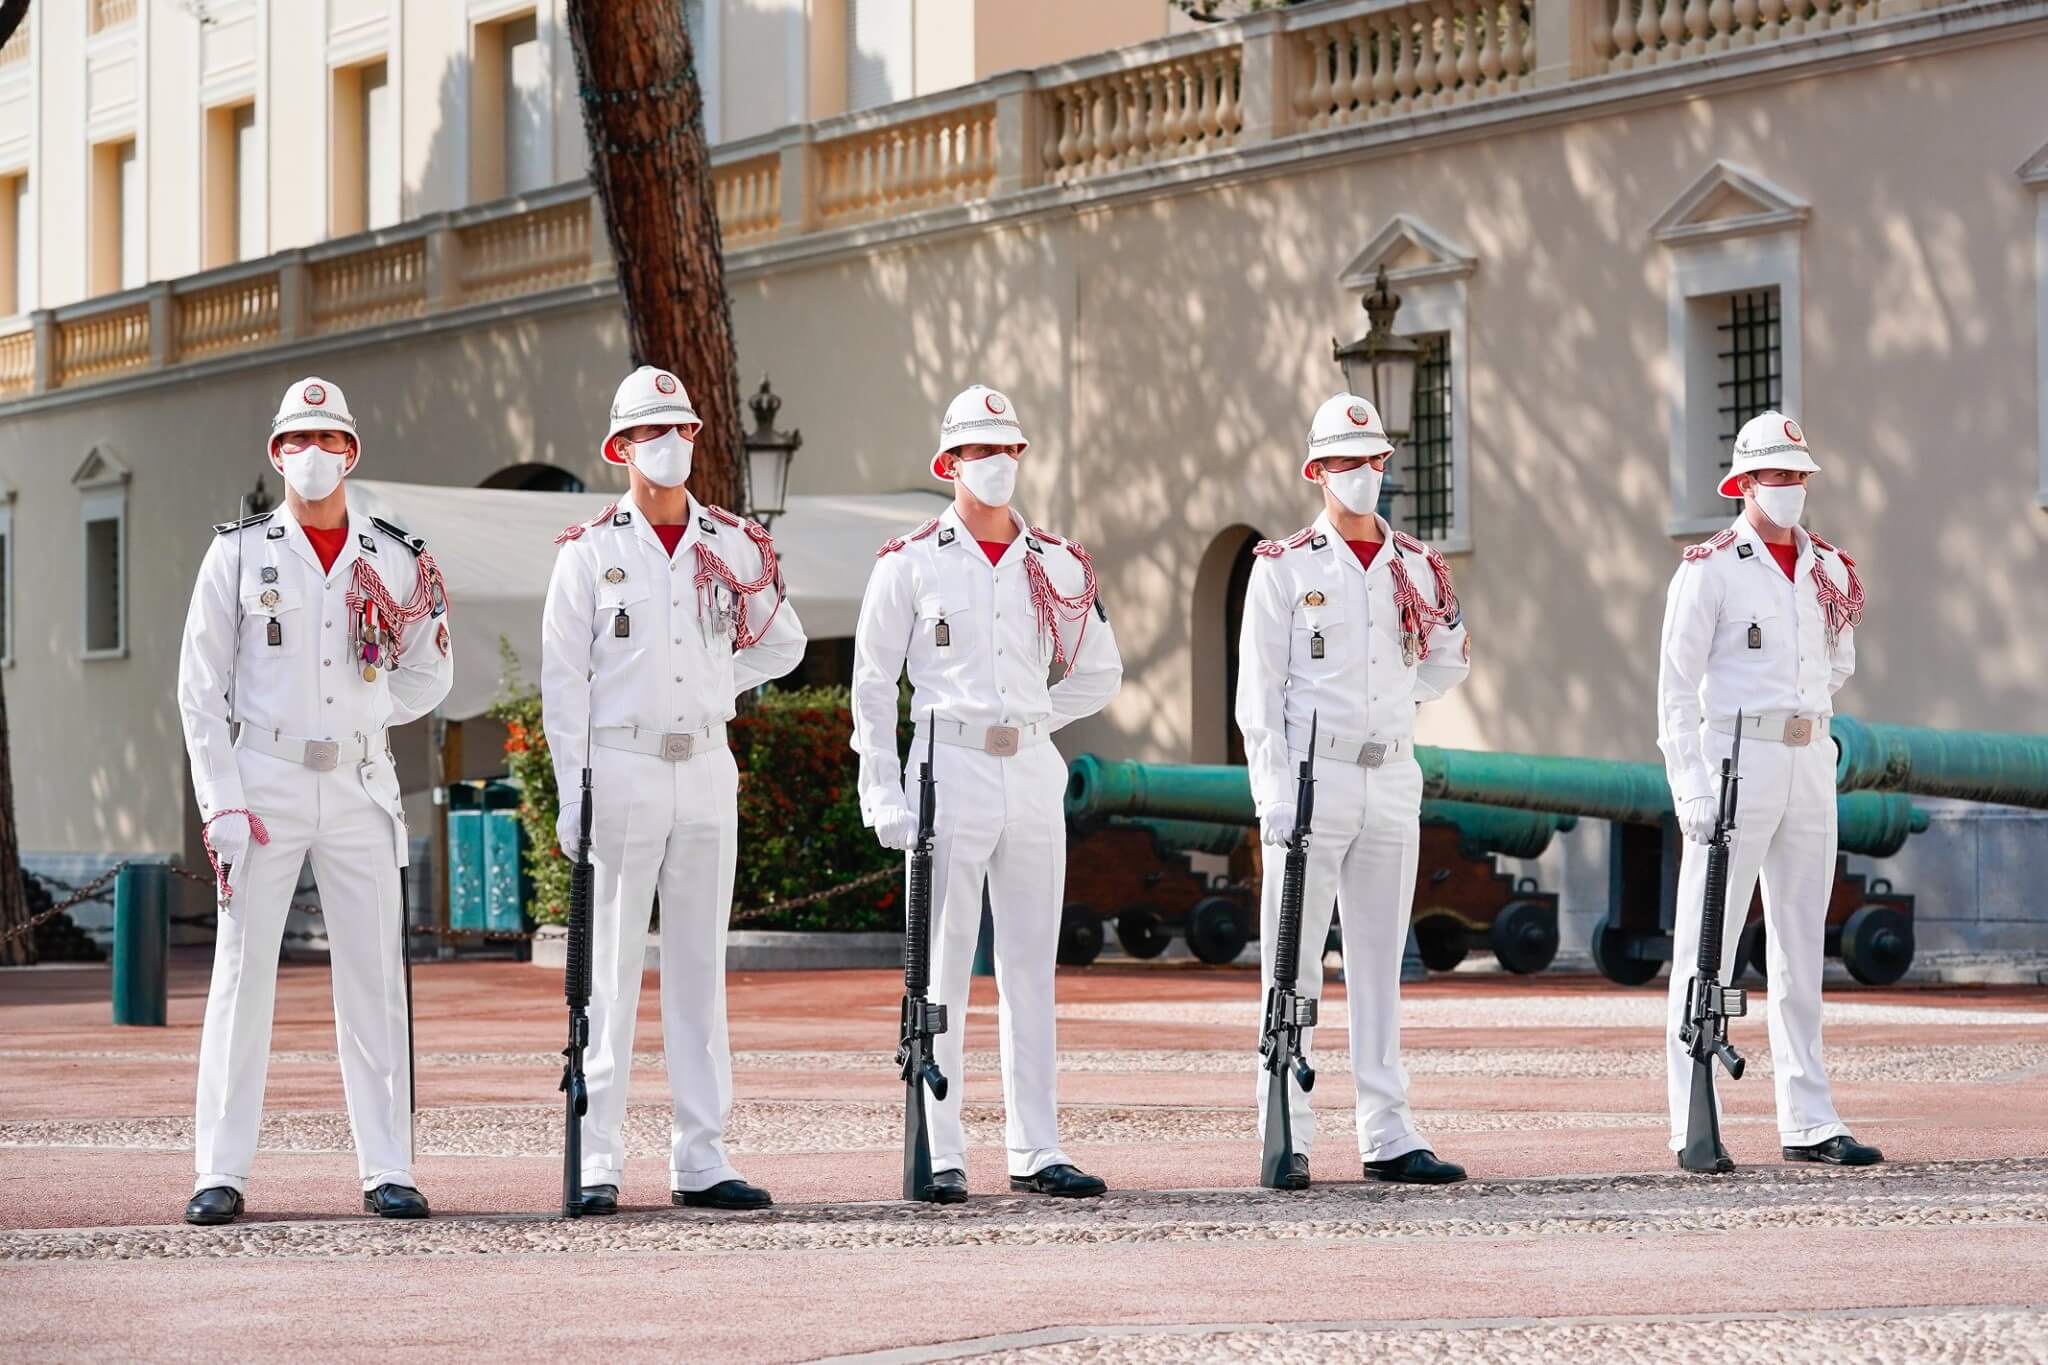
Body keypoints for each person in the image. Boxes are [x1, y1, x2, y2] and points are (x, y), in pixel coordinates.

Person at [177, 376, 453, 1225]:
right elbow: (199, 688)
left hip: (361, 782)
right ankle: (219, 1170)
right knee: (241, 978)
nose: (312, 453)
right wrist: (221, 801)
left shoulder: (394, 556)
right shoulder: (237, 554)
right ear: (276, 453)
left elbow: (431, 669)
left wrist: (368, 716)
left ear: (351, 452)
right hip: (265, 780)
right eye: (296, 440)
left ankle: (388, 1167)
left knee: (374, 979)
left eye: (327, 439)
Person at [541, 365, 807, 1214]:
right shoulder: (590, 552)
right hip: (622, 764)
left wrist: (718, 681)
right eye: (652, 431)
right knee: (611, 972)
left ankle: (702, 1156)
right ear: (620, 446)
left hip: (705, 765)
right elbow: (563, 687)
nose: (670, 442)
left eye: (682, 428)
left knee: (700, 968)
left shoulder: (731, 543)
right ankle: (597, 1158)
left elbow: (785, 642)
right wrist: (572, 793)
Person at [850, 384, 1122, 1202]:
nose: (997, 462)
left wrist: (1033, 717)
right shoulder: (909, 562)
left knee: (1030, 966)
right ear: (950, 463)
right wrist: (881, 788)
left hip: (1030, 768)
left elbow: (1099, 671)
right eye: (980, 450)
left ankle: (1037, 1147)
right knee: (940, 967)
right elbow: (872, 687)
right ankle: (940, 1149)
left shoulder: (1057, 564)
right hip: (949, 768)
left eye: (1008, 449)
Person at [1234, 393, 1471, 1190]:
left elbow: (1449, 658)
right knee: (1292, 963)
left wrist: (1399, 696)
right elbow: (1258, 695)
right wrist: (1271, 792)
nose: (1361, 473)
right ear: (1317, 470)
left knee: (1379, 963)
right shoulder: (1284, 567)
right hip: (1313, 776)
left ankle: (1388, 1130)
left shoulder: (1416, 564)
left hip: (1391, 773)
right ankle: (1287, 1127)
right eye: (1344, 461)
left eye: (1371, 460)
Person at [1657, 410, 1881, 1171]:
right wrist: (1689, 784)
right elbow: (1675, 689)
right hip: (1736, 759)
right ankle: (1691, 1122)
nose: (1788, 486)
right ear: (1744, 483)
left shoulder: (1827, 569)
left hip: (1808, 757)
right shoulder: (1709, 569)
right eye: (1775, 475)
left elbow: (1838, 662)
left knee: (1800, 943)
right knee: (1706, 943)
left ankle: (1810, 1118)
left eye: (1797, 475)